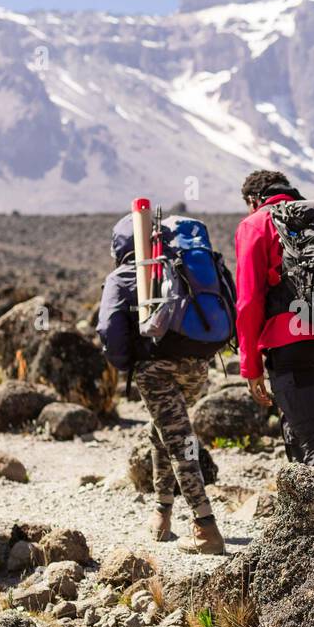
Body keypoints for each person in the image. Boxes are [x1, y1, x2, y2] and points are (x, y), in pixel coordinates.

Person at [97, 215, 224, 555]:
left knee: (179, 440)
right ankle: (162, 513)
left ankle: (205, 526)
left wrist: (130, 365)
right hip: (198, 365)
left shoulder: (126, 276)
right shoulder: (184, 267)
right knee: (164, 430)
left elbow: (109, 330)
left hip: (156, 371)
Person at [235, 170, 314, 470]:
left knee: (313, 442)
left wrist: (251, 366)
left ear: (253, 200)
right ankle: (300, 511)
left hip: (289, 343)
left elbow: (248, 301)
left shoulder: (256, 223)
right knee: (299, 429)